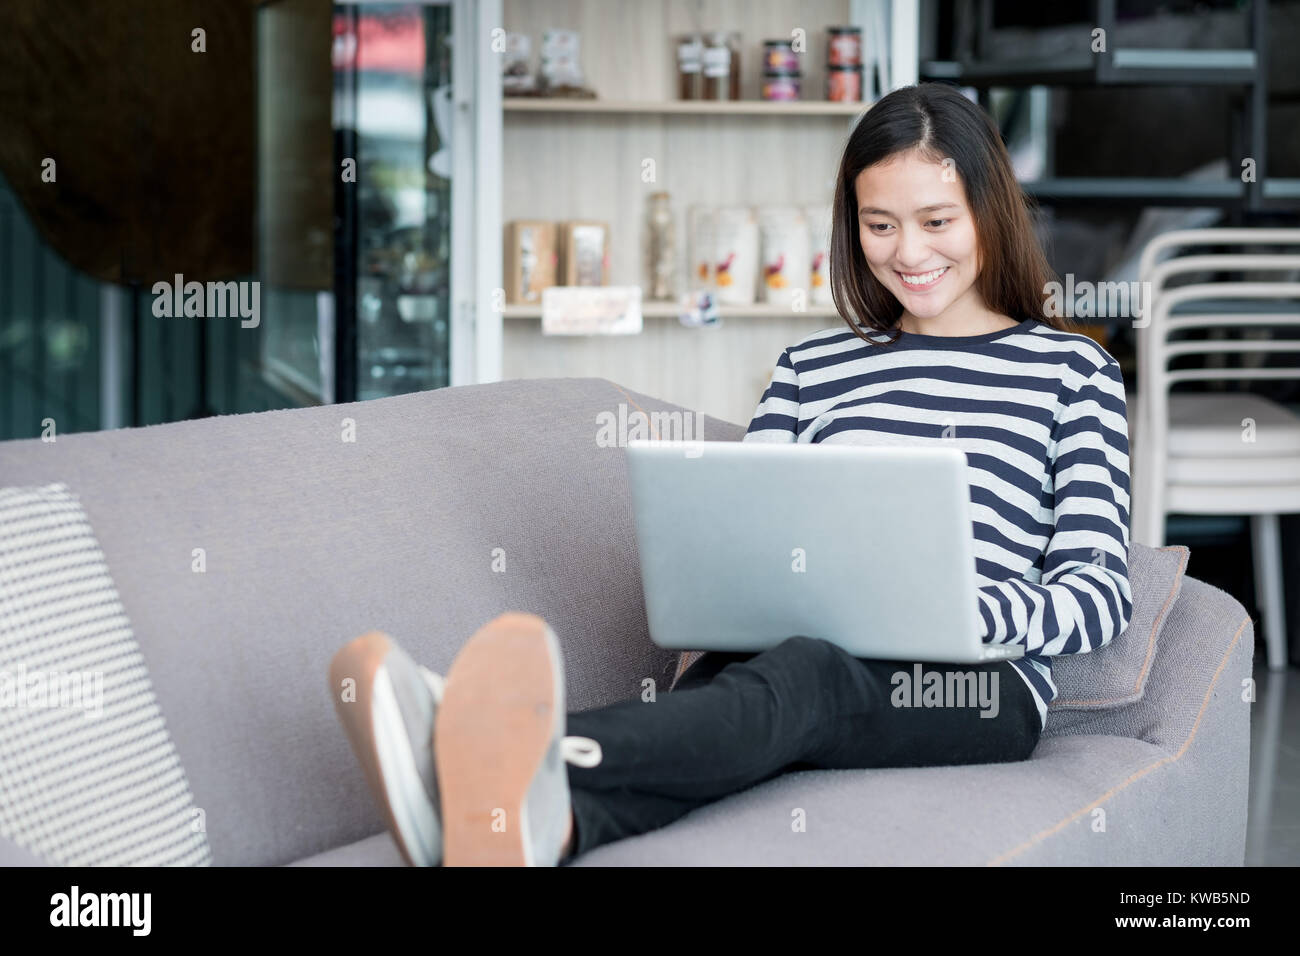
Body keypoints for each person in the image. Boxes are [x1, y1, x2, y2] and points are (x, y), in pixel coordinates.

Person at [328, 82, 1133, 867]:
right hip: (795, 654)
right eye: (880, 224)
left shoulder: (1072, 371)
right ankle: (530, 827)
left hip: (977, 688)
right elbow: (746, 541)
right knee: (739, 687)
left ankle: (476, 748)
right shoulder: (812, 367)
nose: (908, 253)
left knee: (807, 677)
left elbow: (1099, 593)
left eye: (937, 221)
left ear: (990, 211)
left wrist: (956, 612)